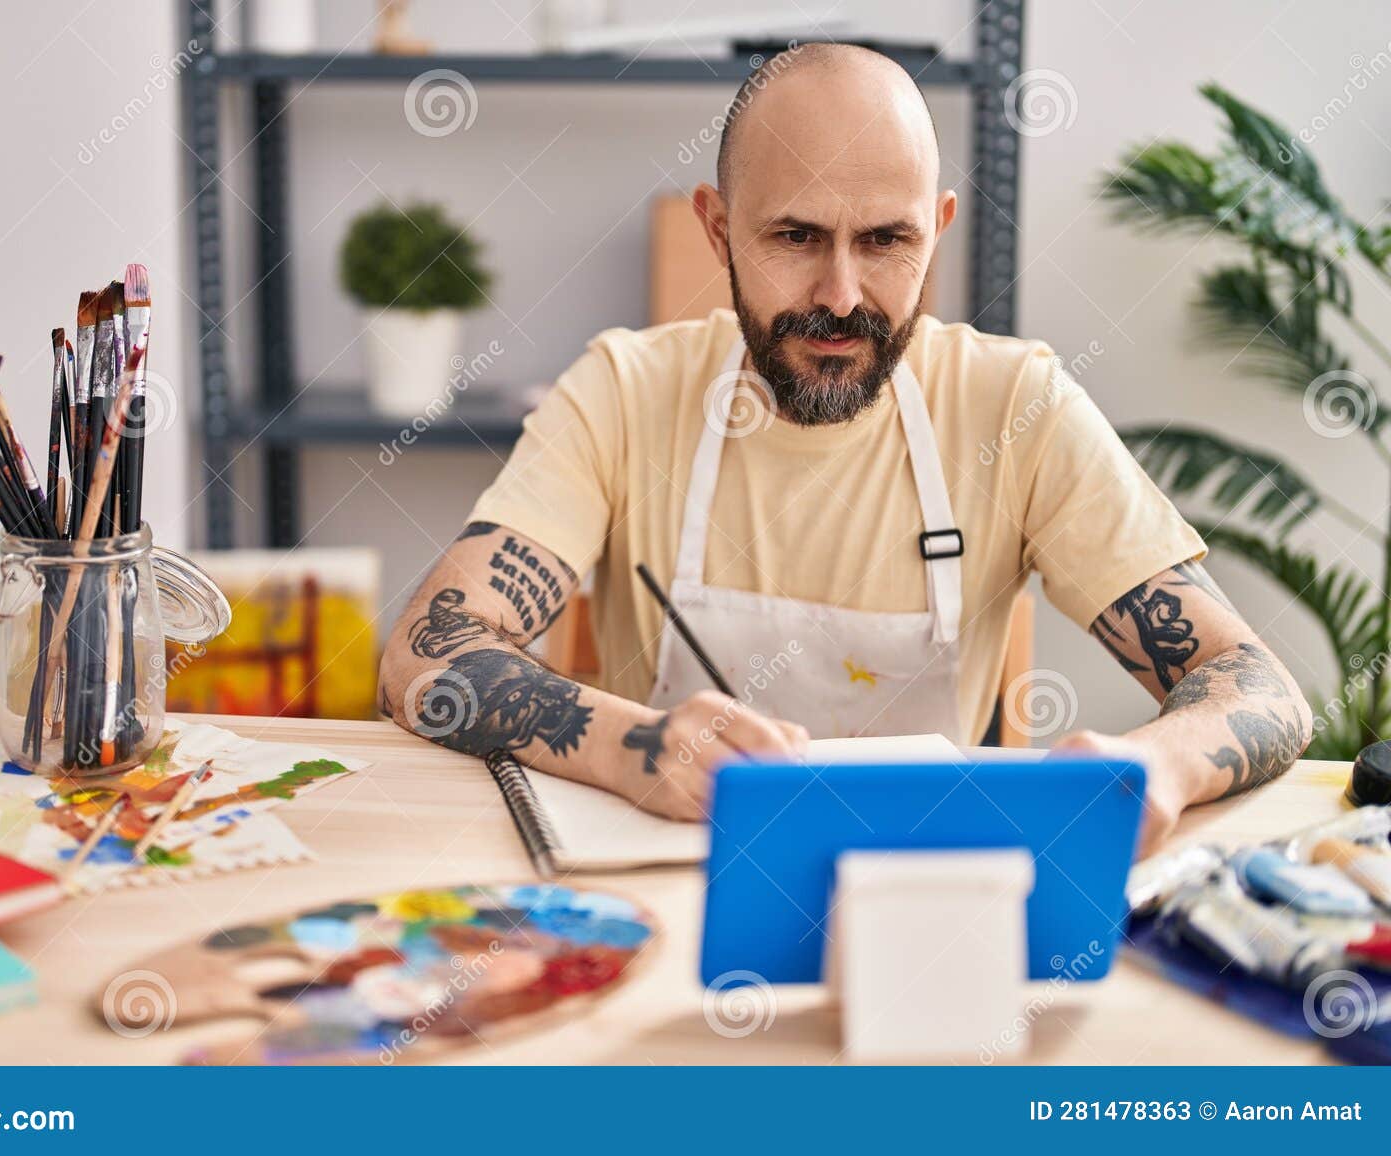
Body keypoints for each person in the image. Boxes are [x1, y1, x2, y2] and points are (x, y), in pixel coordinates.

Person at [378, 43, 1311, 856]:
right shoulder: (624, 393)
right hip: (669, 893)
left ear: (935, 231)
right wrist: (633, 748)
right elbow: (423, 655)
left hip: (932, 899)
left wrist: (1157, 765)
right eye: (795, 236)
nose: (841, 294)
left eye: (885, 240)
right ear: (719, 230)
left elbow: (1260, 689)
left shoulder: (1015, 407)